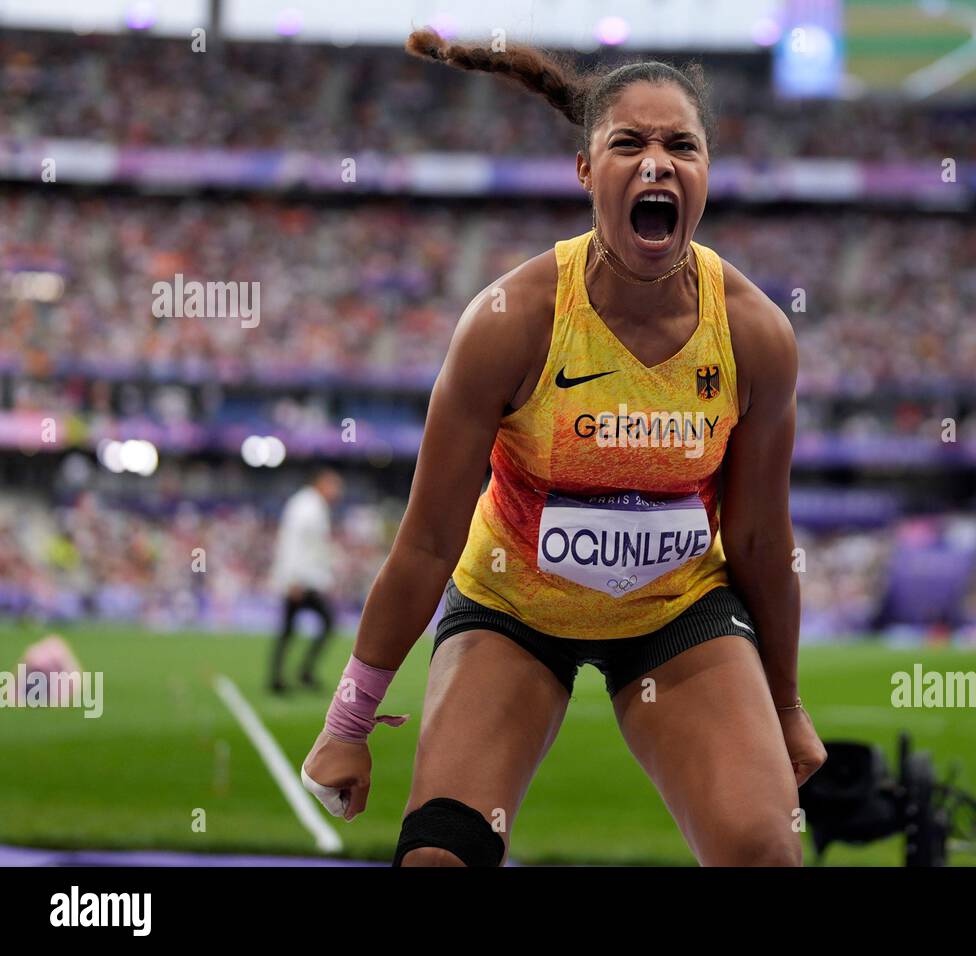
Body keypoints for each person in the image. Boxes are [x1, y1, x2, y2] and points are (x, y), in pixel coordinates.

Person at [300, 29, 826, 866]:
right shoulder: (512, 322)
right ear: (587, 172)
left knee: (766, 854)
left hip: (675, 614)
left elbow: (761, 541)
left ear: (706, 176)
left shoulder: (755, 334)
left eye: (680, 145)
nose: (657, 162)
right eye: (629, 143)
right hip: (516, 611)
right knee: (439, 857)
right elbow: (429, 540)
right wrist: (347, 724)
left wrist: (788, 707)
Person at [268, 468, 343, 693]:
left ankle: (287, 676)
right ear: (320, 483)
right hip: (301, 581)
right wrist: (292, 578)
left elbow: (314, 548)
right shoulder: (305, 506)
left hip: (309, 579)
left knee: (290, 629)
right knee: (314, 624)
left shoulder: (313, 506)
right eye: (334, 486)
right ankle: (292, 675)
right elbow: (293, 542)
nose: (337, 492)